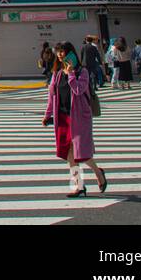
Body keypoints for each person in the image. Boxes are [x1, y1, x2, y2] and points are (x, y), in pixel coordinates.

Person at [43, 42, 108, 197]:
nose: (60, 55)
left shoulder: (82, 71)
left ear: (71, 53)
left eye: (63, 51)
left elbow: (78, 90)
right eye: (58, 52)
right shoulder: (57, 73)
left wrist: (71, 74)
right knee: (69, 153)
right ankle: (79, 186)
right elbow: (51, 96)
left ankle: (98, 172)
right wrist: (47, 115)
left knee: (80, 152)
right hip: (63, 117)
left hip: (79, 117)